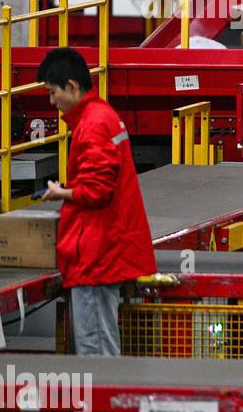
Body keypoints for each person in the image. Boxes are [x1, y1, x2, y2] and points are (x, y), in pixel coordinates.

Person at [38, 47, 155, 361]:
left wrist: (62, 193)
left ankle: (100, 409)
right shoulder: (101, 115)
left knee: (95, 349)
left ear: (72, 87)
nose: (52, 102)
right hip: (103, 249)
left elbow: (97, 190)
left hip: (96, 254)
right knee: (102, 341)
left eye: (53, 93)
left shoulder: (92, 125)